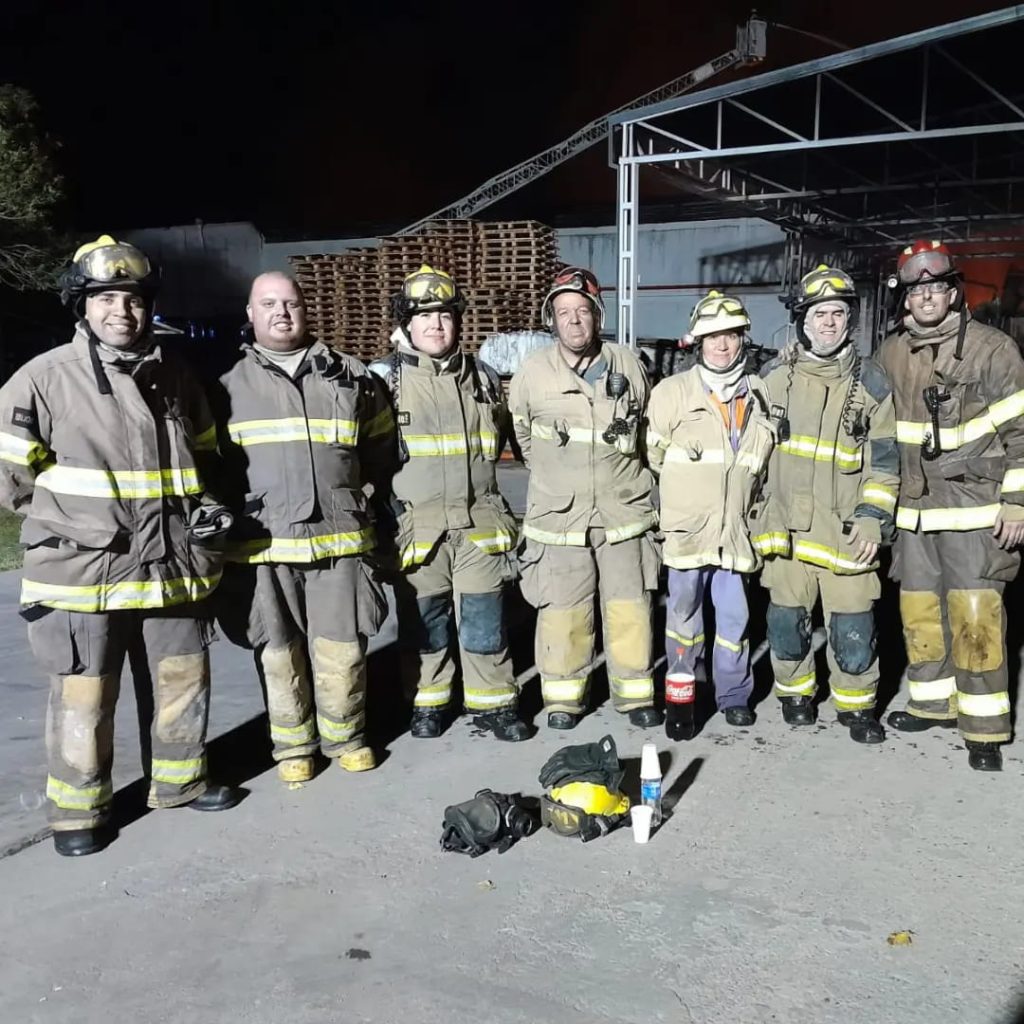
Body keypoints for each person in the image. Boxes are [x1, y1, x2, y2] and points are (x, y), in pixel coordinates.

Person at [0, 235, 240, 857]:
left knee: (182, 677)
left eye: (132, 299)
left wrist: (206, 511)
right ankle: (79, 812)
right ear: (81, 306)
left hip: (172, 564)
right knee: (84, 691)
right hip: (84, 570)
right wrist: (73, 523)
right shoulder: (43, 380)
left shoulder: (177, 378)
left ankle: (180, 783)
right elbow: (9, 480)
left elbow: (204, 462)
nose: (121, 313)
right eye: (105, 298)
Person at [213, 272, 394, 783]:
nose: (281, 313)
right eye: (268, 303)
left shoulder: (349, 375)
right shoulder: (224, 383)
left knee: (342, 646)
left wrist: (369, 499)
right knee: (278, 651)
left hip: (339, 537)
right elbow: (207, 460)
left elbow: (380, 446)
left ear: (305, 309)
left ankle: (347, 737)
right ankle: (293, 746)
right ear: (250, 314)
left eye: (290, 303)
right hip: (263, 541)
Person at [878, 240, 1024, 771]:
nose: (928, 297)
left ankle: (984, 726)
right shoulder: (892, 351)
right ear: (905, 298)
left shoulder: (992, 349)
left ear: (953, 291)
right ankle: (932, 703)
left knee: (975, 616)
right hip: (915, 512)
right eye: (918, 289)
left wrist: (1018, 501)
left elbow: (1022, 431)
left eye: (937, 287)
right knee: (919, 613)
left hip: (975, 510)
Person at [370, 265, 528, 741]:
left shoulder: (481, 377)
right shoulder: (382, 381)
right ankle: (428, 703)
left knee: (485, 621)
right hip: (418, 530)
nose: (436, 325)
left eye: (445, 315)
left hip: (480, 524)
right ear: (406, 324)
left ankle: (495, 704)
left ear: (458, 321)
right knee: (426, 624)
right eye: (424, 316)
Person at [509, 267, 661, 730]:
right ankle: (564, 699)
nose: (574, 321)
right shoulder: (532, 372)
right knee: (563, 612)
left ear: (598, 316)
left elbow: (645, 431)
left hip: (623, 511)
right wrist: (562, 479)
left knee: (630, 607)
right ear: (550, 320)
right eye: (563, 313)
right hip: (560, 515)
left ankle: (633, 696)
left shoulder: (628, 364)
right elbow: (522, 438)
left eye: (583, 312)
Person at [756, 265, 899, 743]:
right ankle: (795, 696)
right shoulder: (775, 378)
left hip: (846, 535)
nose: (829, 323)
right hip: (789, 535)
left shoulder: (873, 384)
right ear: (803, 321)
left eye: (838, 313)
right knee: (785, 625)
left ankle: (857, 707)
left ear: (849, 319)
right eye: (820, 314)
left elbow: (884, 463)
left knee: (854, 630)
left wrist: (874, 519)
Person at [647, 291, 775, 736]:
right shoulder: (671, 394)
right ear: (697, 342)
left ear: (743, 340)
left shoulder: (759, 394)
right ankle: (685, 696)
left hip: (734, 532)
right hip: (688, 533)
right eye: (712, 336)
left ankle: (734, 695)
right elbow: (653, 458)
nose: (721, 345)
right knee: (683, 623)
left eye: (731, 335)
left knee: (735, 622)